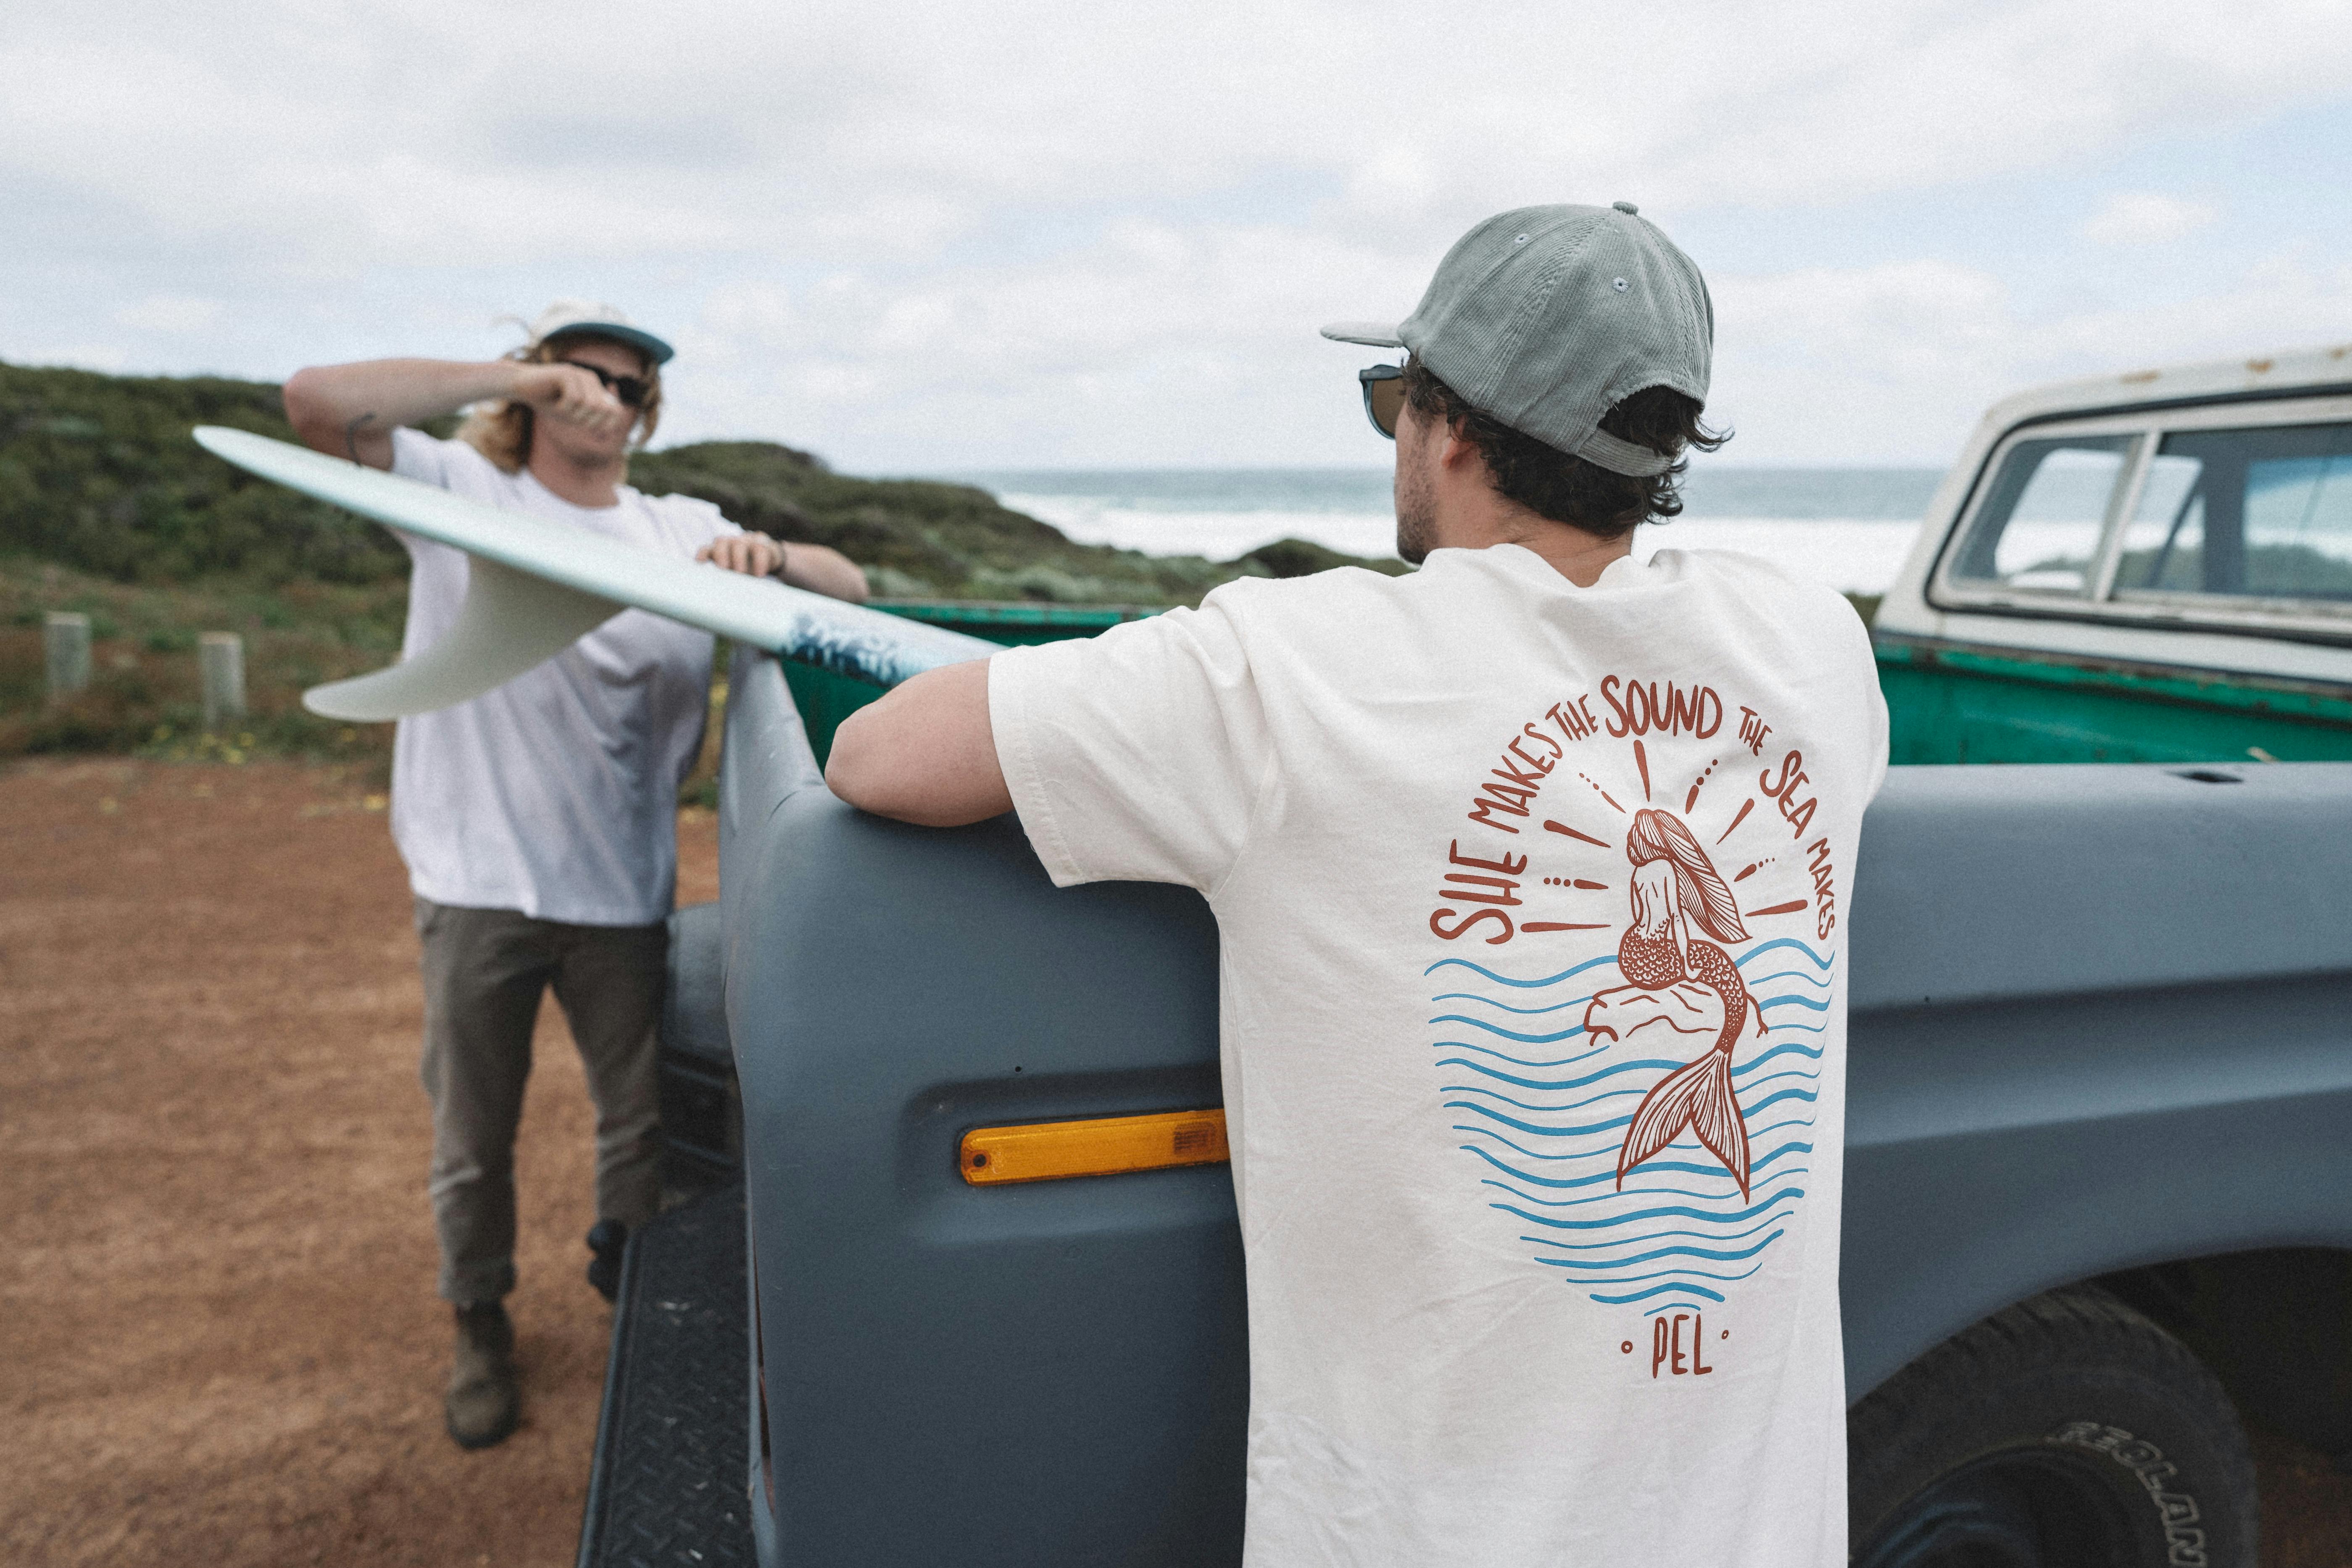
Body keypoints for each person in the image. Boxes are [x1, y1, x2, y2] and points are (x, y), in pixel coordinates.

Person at [826, 207, 1887, 1563]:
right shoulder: (1809, 651)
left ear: (1445, 428)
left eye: (1392, 394)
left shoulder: (1291, 670)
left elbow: (879, 754)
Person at [282, 302, 869, 1451]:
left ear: (650, 416)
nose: (610, 395)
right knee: (472, 1133)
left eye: (632, 385)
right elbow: (314, 403)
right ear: (537, 384)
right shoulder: (462, 492)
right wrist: (520, 380)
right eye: (584, 374)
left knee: (638, 1130)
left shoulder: (678, 525)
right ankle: (480, 1323)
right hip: (478, 882)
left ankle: (634, 1305)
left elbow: (848, 589)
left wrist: (776, 558)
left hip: (619, 892)